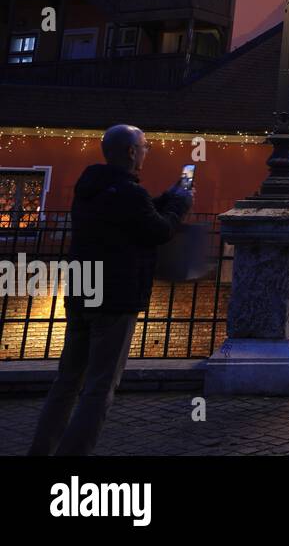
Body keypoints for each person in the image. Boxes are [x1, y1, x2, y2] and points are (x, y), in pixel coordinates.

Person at [28, 125, 192, 456]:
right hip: (116, 298)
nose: (147, 152)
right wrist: (179, 205)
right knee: (100, 386)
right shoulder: (129, 195)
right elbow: (158, 230)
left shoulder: (90, 188)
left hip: (82, 289)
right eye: (145, 146)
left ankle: (41, 450)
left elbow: (134, 213)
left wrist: (165, 197)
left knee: (67, 381)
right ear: (131, 152)